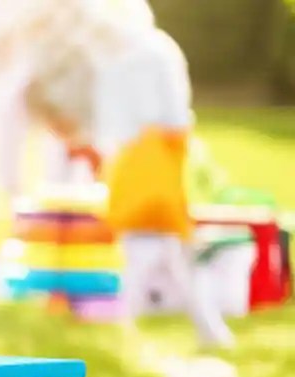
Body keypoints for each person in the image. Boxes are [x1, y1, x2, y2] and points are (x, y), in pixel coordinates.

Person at [20, 1, 235, 350]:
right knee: (171, 249)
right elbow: (169, 116)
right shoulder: (147, 50)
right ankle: (204, 329)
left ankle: (134, 324)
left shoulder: (120, 61)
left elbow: (115, 124)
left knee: (149, 250)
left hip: (144, 161)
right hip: (159, 155)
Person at [0, 0, 154, 196]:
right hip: (1, 75)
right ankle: (16, 209)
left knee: (65, 159)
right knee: (7, 172)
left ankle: (68, 205)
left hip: (56, 73)